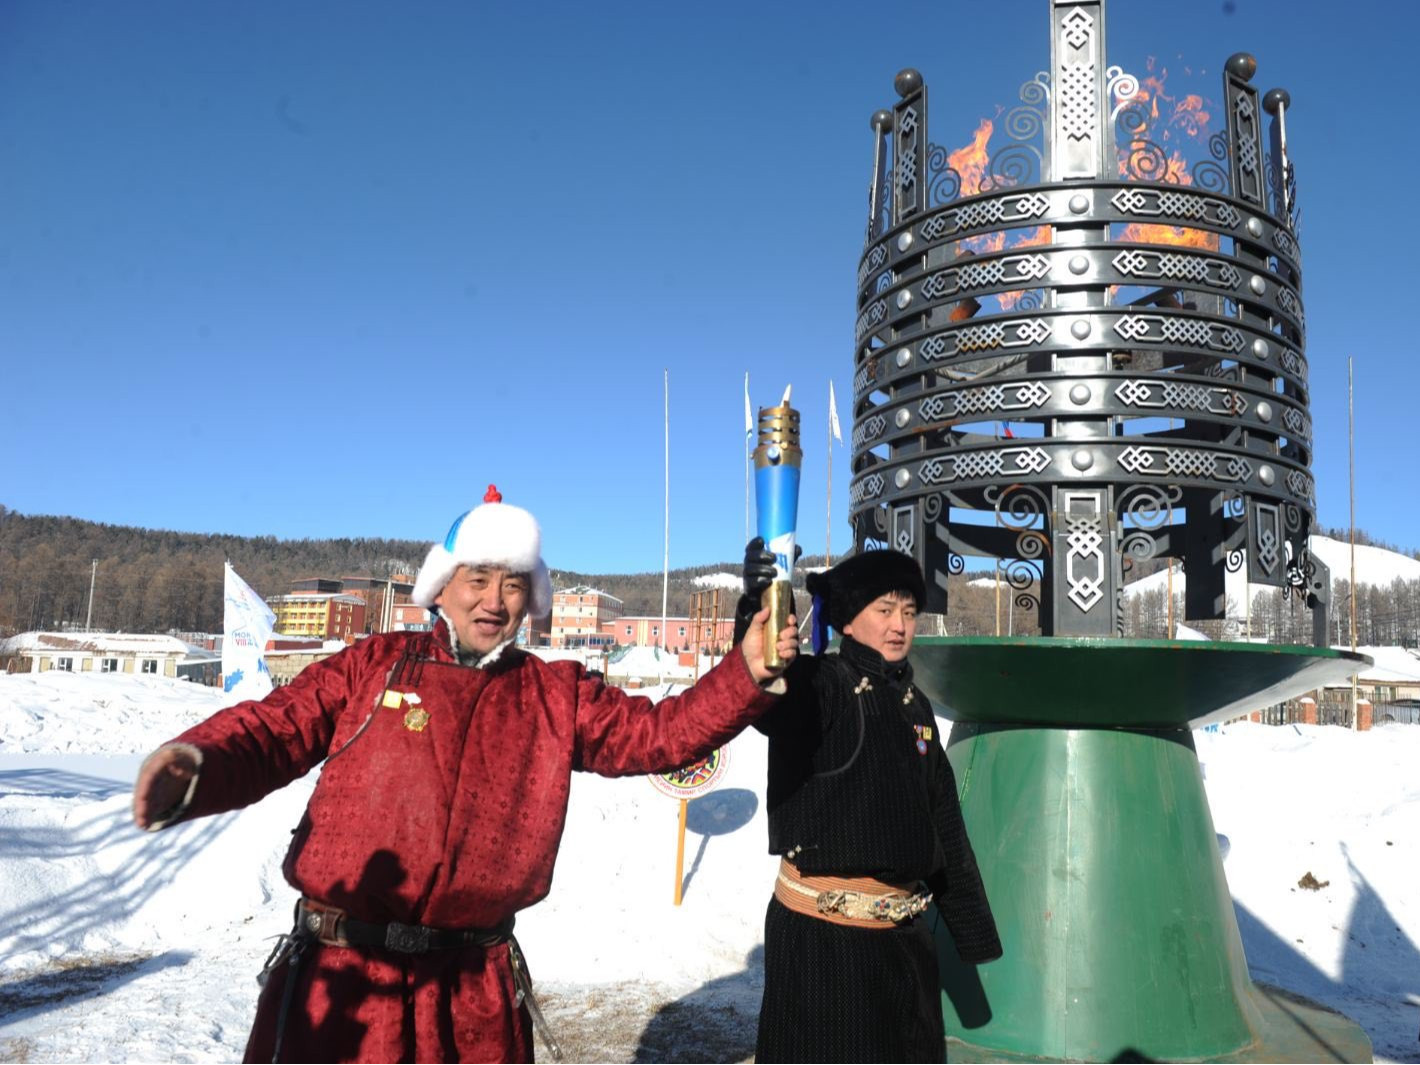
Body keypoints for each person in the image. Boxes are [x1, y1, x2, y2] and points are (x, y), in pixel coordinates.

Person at [132, 487, 798, 1064]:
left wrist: (744, 672)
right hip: (343, 984)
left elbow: (662, 733)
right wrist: (198, 763)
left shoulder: (553, 694)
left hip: (472, 998)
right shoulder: (373, 666)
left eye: (512, 584)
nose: (494, 600)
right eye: (477, 579)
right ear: (441, 585)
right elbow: (272, 731)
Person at [735, 543, 1001, 1063]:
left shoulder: (914, 705)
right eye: (884, 610)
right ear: (849, 620)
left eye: (908, 611)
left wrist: (973, 934)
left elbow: (944, 822)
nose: (899, 624)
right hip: (825, 946)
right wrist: (757, 607)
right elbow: (773, 694)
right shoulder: (823, 684)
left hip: (904, 943)